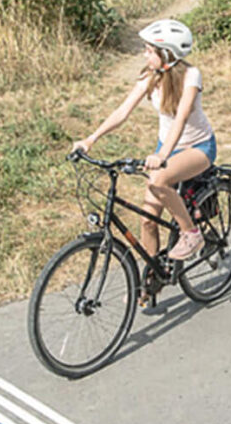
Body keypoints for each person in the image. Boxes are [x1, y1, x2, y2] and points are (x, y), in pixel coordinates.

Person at [72, 19, 215, 304]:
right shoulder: (149, 76)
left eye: (150, 50)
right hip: (168, 149)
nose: (144, 55)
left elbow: (182, 117)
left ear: (168, 54)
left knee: (159, 179)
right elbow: (122, 111)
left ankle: (191, 233)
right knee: (147, 221)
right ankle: (153, 277)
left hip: (197, 148)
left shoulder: (191, 76)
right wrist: (91, 139)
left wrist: (162, 156)